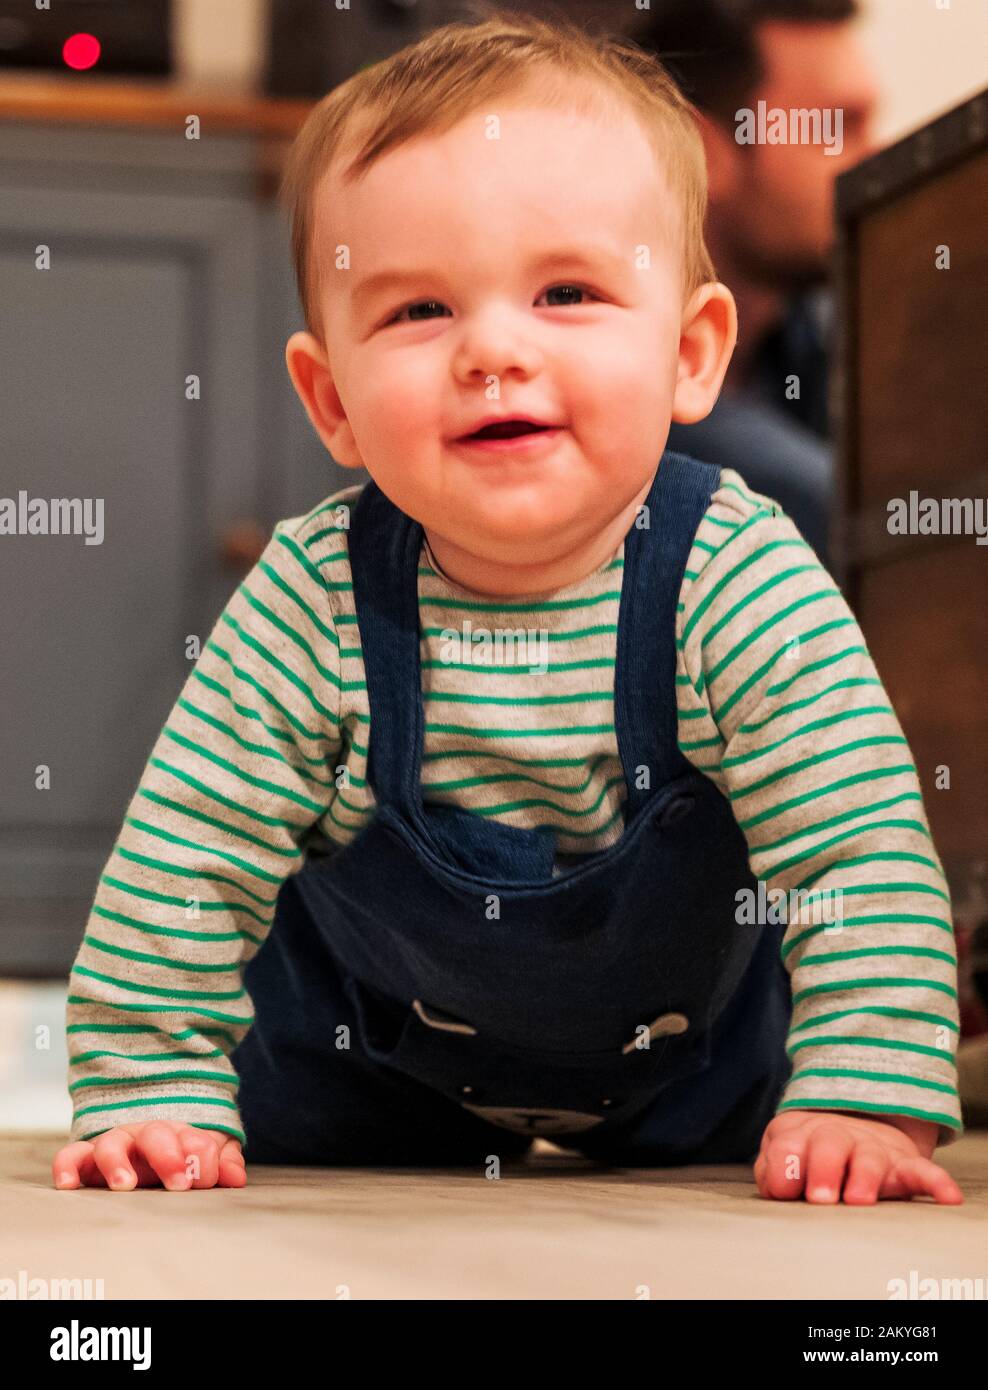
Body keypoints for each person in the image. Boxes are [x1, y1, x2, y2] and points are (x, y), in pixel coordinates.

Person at [54, 12, 961, 1204]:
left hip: (690, 1076)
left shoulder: (736, 574)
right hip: (368, 1067)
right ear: (330, 399)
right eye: (418, 310)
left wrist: (862, 1094)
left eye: (567, 292)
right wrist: (145, 1086)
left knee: (764, 1125)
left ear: (690, 354)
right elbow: (188, 851)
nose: (490, 348)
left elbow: (854, 842)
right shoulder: (313, 595)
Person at [634, 0, 882, 564]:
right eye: (840, 127)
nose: (878, 156)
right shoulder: (608, 378)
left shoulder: (831, 337)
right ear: (703, 151)